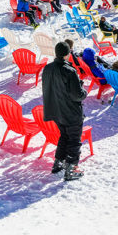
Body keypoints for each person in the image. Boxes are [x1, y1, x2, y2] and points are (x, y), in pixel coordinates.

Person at [41, 41, 87, 181]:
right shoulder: (69, 71)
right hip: (71, 112)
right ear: (67, 55)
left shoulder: (47, 68)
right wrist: (83, 91)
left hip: (56, 111)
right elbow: (77, 95)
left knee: (64, 136)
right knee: (74, 140)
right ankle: (71, 169)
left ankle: (58, 163)